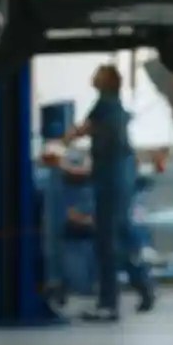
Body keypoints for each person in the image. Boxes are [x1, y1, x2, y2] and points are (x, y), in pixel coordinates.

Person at [63, 64, 156, 321]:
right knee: (121, 236)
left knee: (107, 240)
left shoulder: (105, 105)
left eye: (97, 75)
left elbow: (82, 132)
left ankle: (108, 304)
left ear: (106, 81)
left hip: (111, 180)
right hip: (120, 177)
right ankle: (143, 285)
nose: (92, 77)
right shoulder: (112, 105)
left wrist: (63, 143)